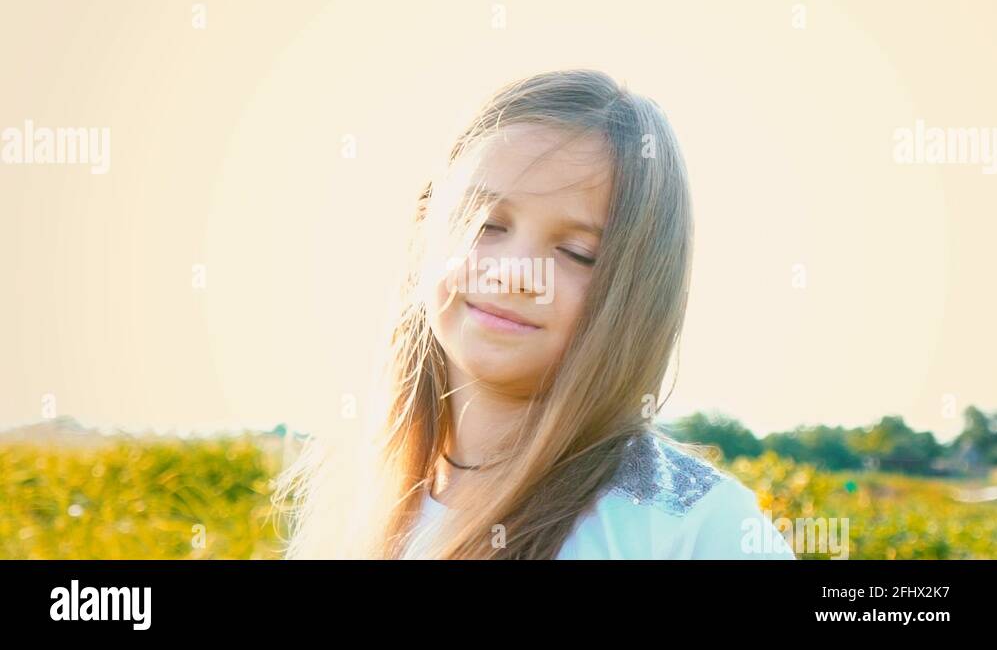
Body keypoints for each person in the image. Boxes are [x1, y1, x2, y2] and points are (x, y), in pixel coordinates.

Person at [276, 68, 796, 560]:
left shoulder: (694, 527)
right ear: (425, 231)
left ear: (640, 291)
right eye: (485, 223)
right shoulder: (352, 498)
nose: (515, 272)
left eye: (576, 253)